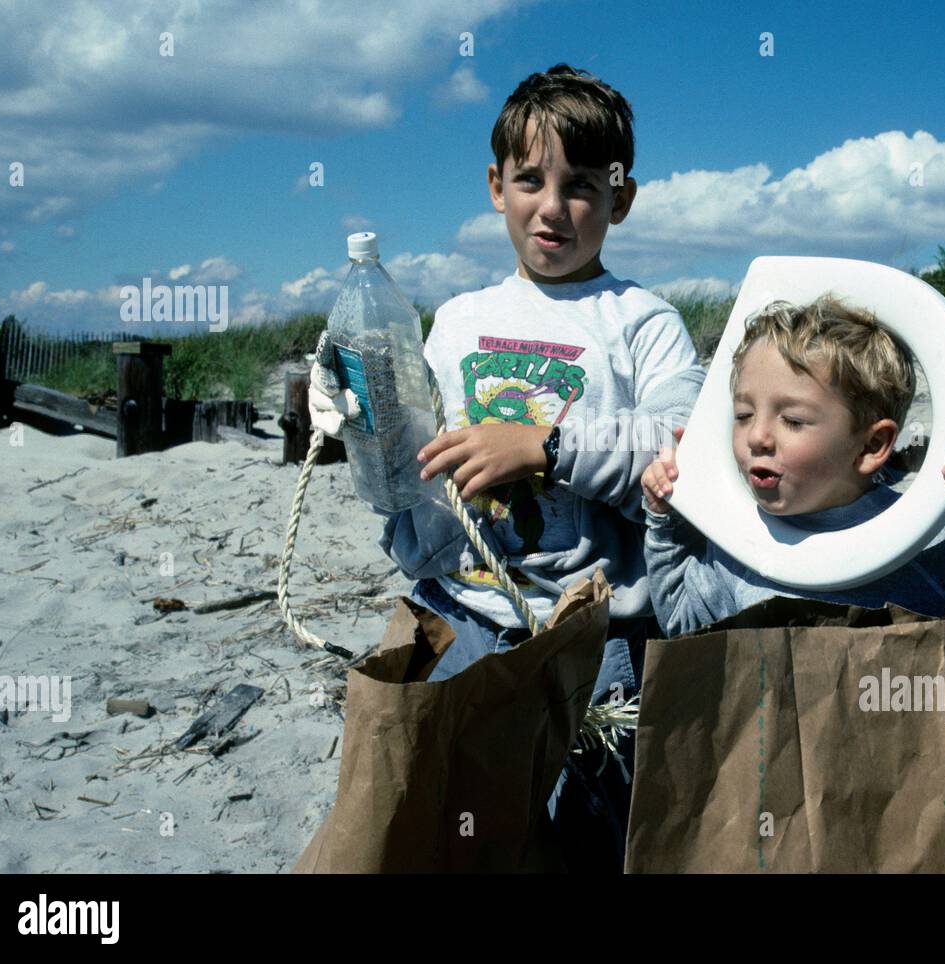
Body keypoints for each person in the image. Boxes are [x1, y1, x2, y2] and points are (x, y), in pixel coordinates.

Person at [311, 63, 705, 872]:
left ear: (620, 198)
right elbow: (411, 469)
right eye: (530, 180)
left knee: (591, 843)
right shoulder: (456, 321)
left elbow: (683, 448)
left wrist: (545, 447)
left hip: (600, 643)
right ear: (497, 186)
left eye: (583, 186)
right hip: (462, 614)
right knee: (448, 830)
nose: (553, 207)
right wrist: (354, 418)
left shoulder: (644, 323)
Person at [641, 293, 945, 638]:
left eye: (792, 419)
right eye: (743, 414)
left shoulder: (932, 539)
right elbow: (683, 628)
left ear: (872, 446)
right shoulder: (737, 540)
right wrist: (670, 521)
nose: (758, 436)